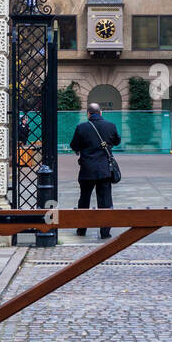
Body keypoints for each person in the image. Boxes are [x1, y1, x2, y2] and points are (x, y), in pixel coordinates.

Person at [69, 102, 120, 239]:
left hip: (87, 169)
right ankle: (105, 232)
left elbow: (74, 145)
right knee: (105, 201)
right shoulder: (111, 126)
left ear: (88, 113)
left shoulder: (81, 128)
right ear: (101, 113)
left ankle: (81, 229)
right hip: (104, 169)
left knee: (84, 199)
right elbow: (117, 141)